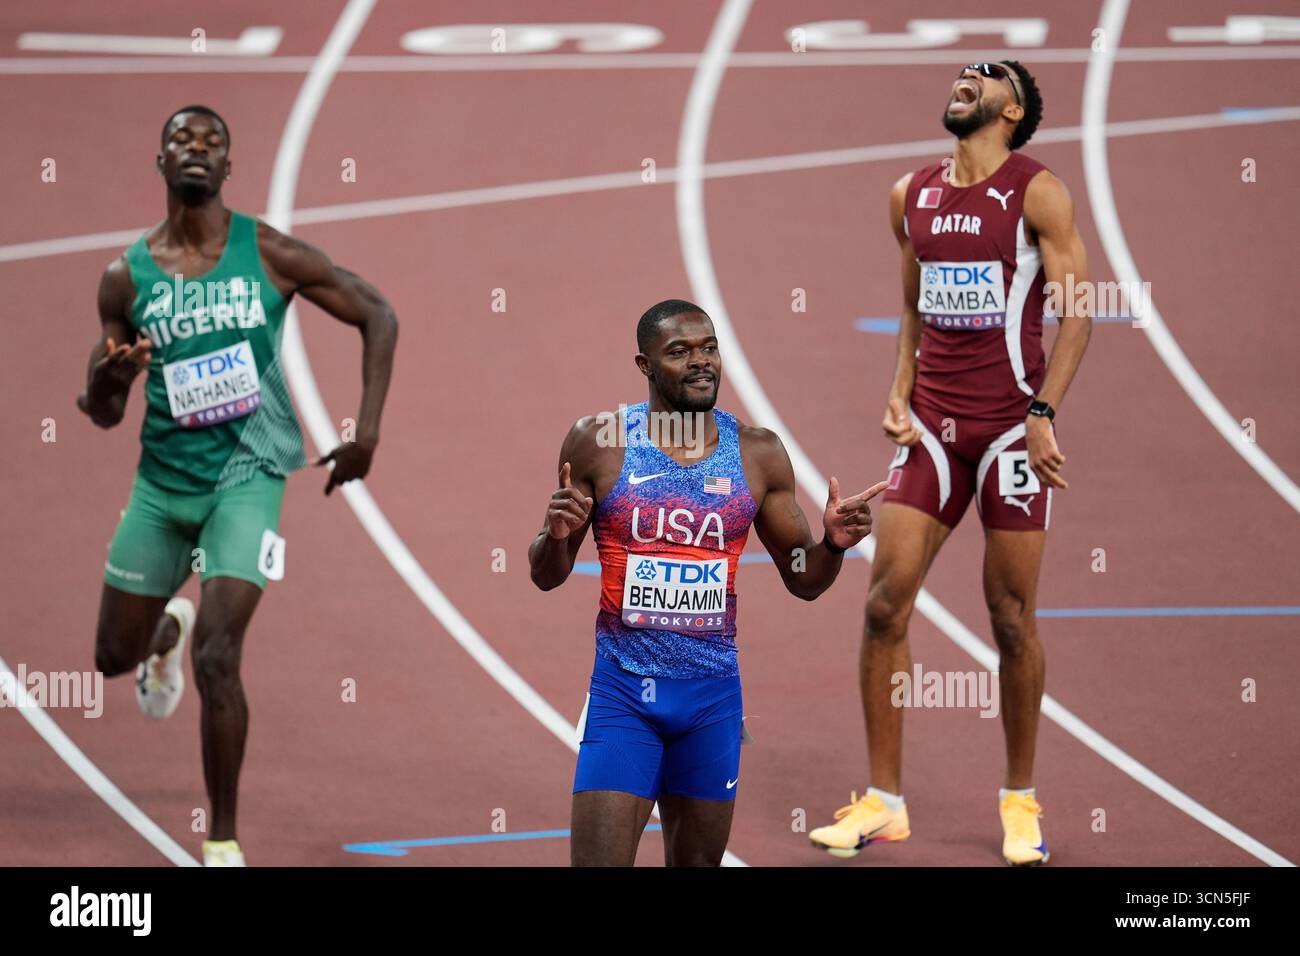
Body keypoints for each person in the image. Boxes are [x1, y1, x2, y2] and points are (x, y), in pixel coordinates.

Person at [78, 105, 398, 867]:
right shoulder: (127, 277)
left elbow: (378, 313)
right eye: (181, 141)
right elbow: (100, 412)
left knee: (220, 654)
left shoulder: (271, 254)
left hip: (246, 480)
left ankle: (220, 839)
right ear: (160, 164)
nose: (196, 149)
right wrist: (107, 381)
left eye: (212, 142)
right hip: (161, 486)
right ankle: (163, 632)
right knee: (109, 661)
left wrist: (366, 433)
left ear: (229, 169)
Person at [809, 62, 1091, 865]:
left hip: (1008, 431)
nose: (968, 74)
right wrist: (898, 390)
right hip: (934, 430)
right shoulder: (912, 195)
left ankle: (1020, 799)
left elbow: (1078, 316)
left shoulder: (1039, 194)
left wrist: (1042, 414)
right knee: (882, 606)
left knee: (1009, 617)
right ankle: (883, 802)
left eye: (989, 76)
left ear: (1013, 109)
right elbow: (910, 302)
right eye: (966, 70)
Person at [530, 299, 887, 866]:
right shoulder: (598, 442)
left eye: (709, 348)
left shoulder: (758, 454)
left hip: (711, 700)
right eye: (679, 352)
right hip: (624, 694)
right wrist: (554, 536)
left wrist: (834, 547)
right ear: (645, 366)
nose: (701, 363)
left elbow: (805, 580)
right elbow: (546, 576)